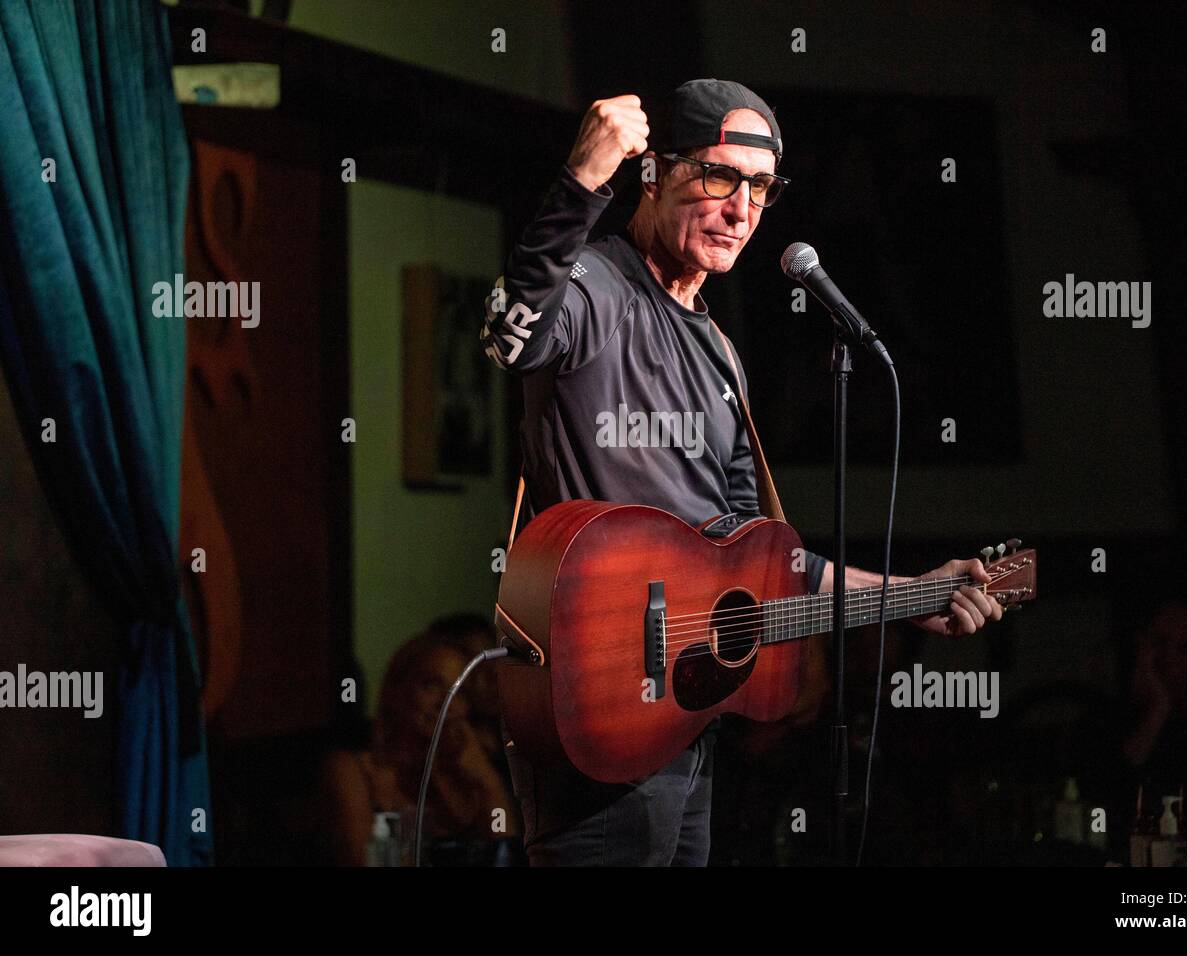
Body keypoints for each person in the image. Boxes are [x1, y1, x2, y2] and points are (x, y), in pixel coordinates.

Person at [481, 78, 1003, 866]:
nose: (741, 209)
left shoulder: (720, 355)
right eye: (718, 177)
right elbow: (507, 340)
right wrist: (583, 180)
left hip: (685, 712)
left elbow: (760, 563)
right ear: (653, 173)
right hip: (596, 705)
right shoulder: (593, 287)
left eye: (760, 187)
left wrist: (909, 597)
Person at [322, 615, 519, 866]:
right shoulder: (353, 771)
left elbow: (506, 857)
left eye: (458, 691)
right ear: (397, 690)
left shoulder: (465, 776)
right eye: (430, 685)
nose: (445, 702)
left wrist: (485, 778)